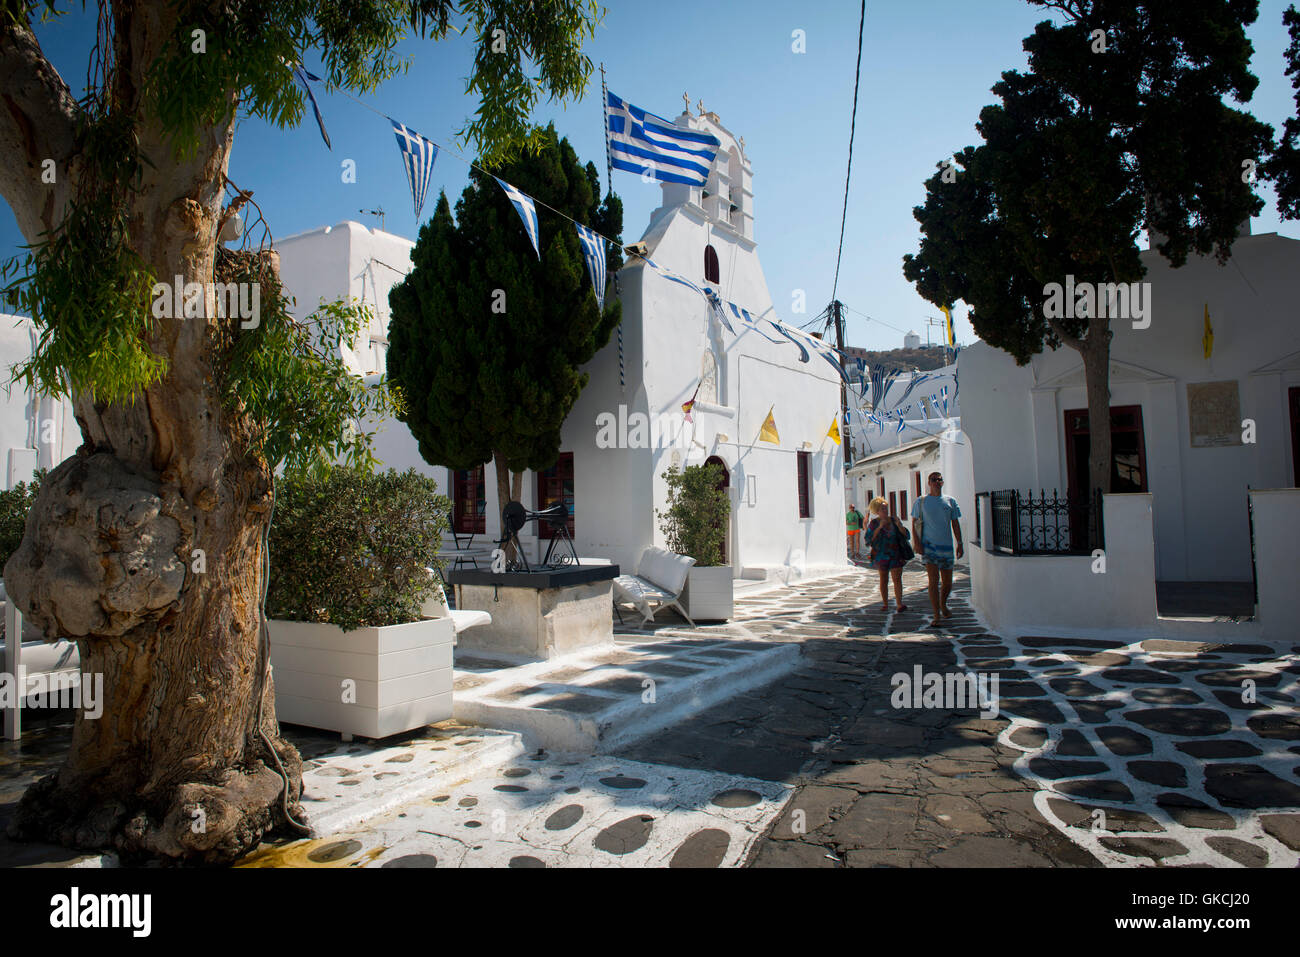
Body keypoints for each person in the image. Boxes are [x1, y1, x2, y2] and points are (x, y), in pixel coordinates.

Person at [911, 471, 963, 628]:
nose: (937, 482)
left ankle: (943, 604)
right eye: (934, 479)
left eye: (939, 479)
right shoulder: (921, 501)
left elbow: (955, 523)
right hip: (929, 547)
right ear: (929, 482)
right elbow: (914, 523)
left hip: (946, 547)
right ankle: (936, 614)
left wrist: (960, 542)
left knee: (947, 582)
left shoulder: (950, 501)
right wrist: (917, 543)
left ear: (942, 482)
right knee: (933, 581)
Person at [866, 497, 908, 612]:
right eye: (882, 509)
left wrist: (899, 526)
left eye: (886, 508)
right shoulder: (874, 523)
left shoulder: (894, 520)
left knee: (897, 579)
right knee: (883, 579)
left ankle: (899, 604)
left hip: (895, 554)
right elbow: (869, 539)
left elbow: (905, 535)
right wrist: (879, 528)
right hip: (881, 555)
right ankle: (885, 603)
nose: (885, 511)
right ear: (877, 511)